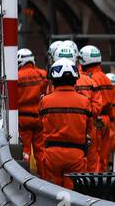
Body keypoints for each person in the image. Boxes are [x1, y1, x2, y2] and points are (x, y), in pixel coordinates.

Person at [36, 59, 92, 189]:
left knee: (52, 193)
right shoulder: (85, 102)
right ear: (75, 79)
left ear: (53, 80)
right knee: (75, 195)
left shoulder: (45, 101)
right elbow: (89, 129)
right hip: (76, 154)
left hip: (52, 155)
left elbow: (41, 125)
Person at [80, 45, 115, 171]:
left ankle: (93, 188)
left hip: (95, 120)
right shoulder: (105, 77)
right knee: (104, 156)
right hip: (107, 122)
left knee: (93, 157)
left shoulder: (89, 78)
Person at [16, 49, 47, 170]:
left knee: (25, 151)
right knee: (41, 150)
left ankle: (26, 177)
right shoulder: (43, 74)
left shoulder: (16, 77)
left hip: (23, 119)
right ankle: (44, 177)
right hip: (40, 118)